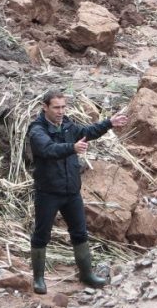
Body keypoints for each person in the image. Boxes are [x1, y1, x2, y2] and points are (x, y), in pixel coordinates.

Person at [28, 91, 128, 294]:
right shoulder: (37, 130)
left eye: (63, 107)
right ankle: (38, 279)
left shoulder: (67, 124)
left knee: (80, 233)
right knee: (41, 235)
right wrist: (72, 148)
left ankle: (86, 274)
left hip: (71, 191)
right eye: (56, 107)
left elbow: (87, 132)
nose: (61, 111)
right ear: (45, 107)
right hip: (48, 192)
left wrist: (109, 123)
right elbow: (48, 149)